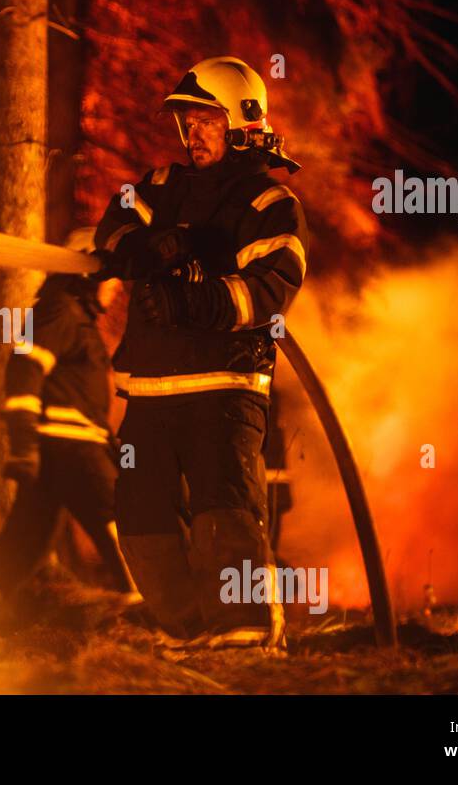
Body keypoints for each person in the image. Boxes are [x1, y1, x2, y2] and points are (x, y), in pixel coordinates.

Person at [91, 56, 309, 648]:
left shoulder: (267, 203)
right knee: (138, 519)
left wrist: (193, 304)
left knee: (225, 515)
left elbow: (270, 288)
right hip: (151, 389)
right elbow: (109, 231)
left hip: (225, 387)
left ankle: (243, 633)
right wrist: (137, 246)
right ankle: (190, 630)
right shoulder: (160, 187)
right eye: (185, 121)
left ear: (242, 120)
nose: (191, 133)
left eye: (204, 120)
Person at [0, 230, 139, 637]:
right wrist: (24, 443)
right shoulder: (61, 312)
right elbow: (24, 371)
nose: (116, 287)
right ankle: (150, 610)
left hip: (62, 448)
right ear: (87, 272)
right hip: (69, 448)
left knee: (21, 543)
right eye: (111, 277)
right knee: (123, 520)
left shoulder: (71, 314)